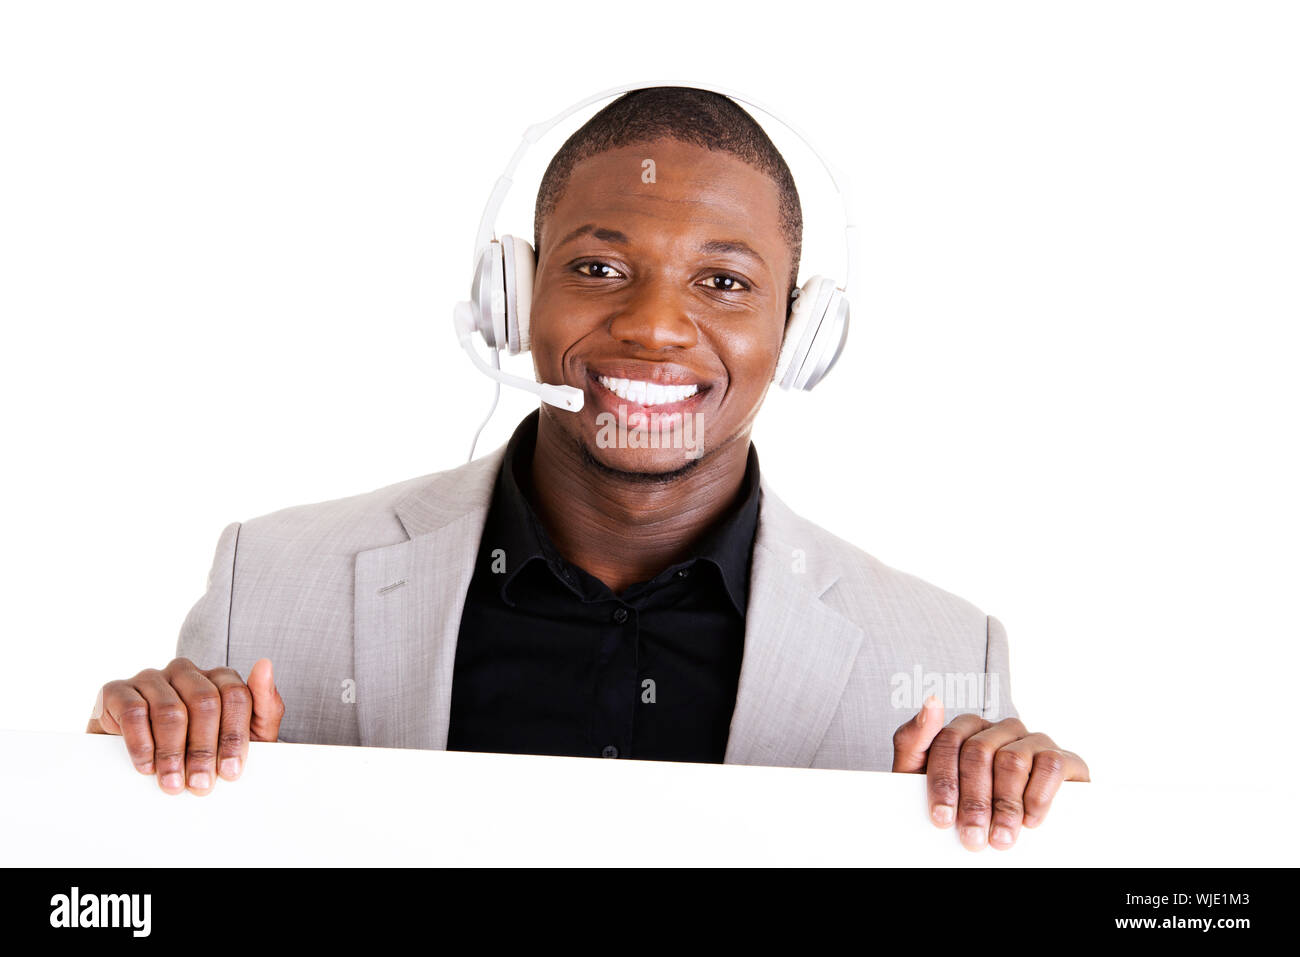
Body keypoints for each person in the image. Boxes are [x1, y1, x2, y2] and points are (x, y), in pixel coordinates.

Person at [87, 86, 1088, 851]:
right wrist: (120, 790)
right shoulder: (269, 578)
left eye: (723, 282)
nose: (653, 326)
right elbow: (147, 881)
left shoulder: (946, 654)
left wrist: (1057, 843)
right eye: (599, 269)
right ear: (513, 297)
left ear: (801, 330)